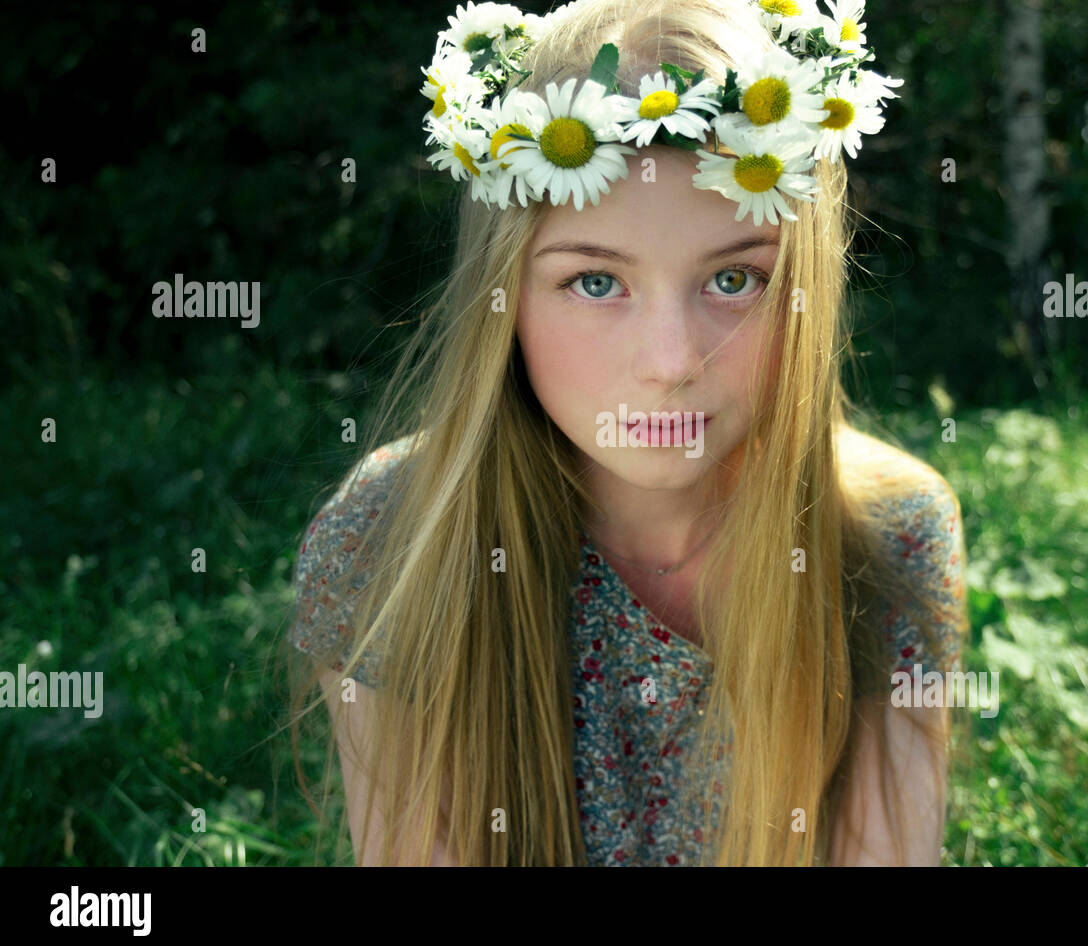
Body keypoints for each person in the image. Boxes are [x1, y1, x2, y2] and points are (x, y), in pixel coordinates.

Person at [283, 0, 969, 866]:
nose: (672, 361)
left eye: (734, 278)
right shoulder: (398, 539)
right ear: (504, 300)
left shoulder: (885, 536)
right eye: (596, 284)